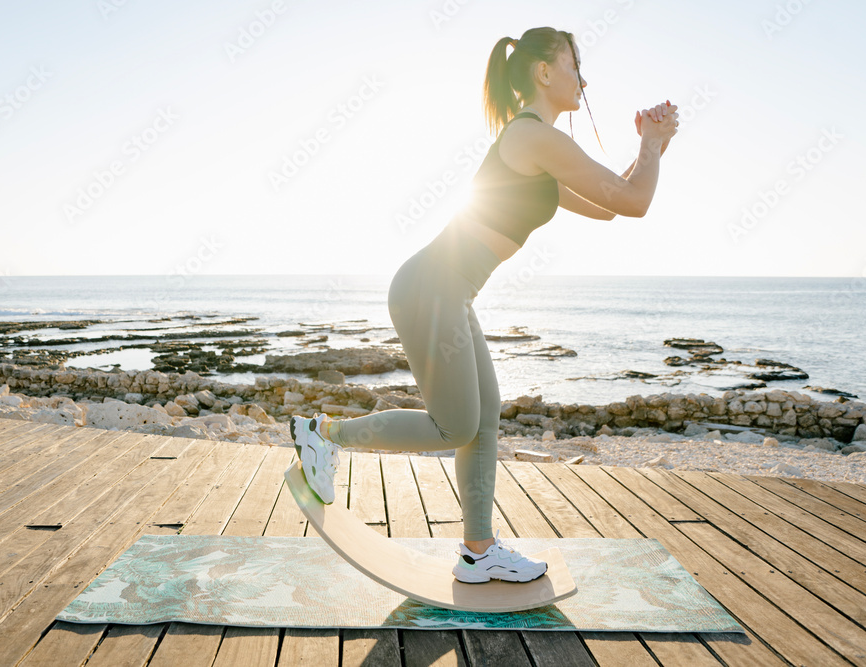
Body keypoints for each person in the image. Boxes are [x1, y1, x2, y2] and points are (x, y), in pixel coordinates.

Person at [290, 26, 678, 584]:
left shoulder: (542, 146)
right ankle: (322, 433)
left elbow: (612, 204)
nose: (584, 79)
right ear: (544, 72)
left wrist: (654, 145)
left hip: (448, 289)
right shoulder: (531, 137)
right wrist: (649, 145)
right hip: (432, 285)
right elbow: (634, 201)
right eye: (575, 65)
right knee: (454, 426)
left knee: (482, 420)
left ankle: (478, 551)